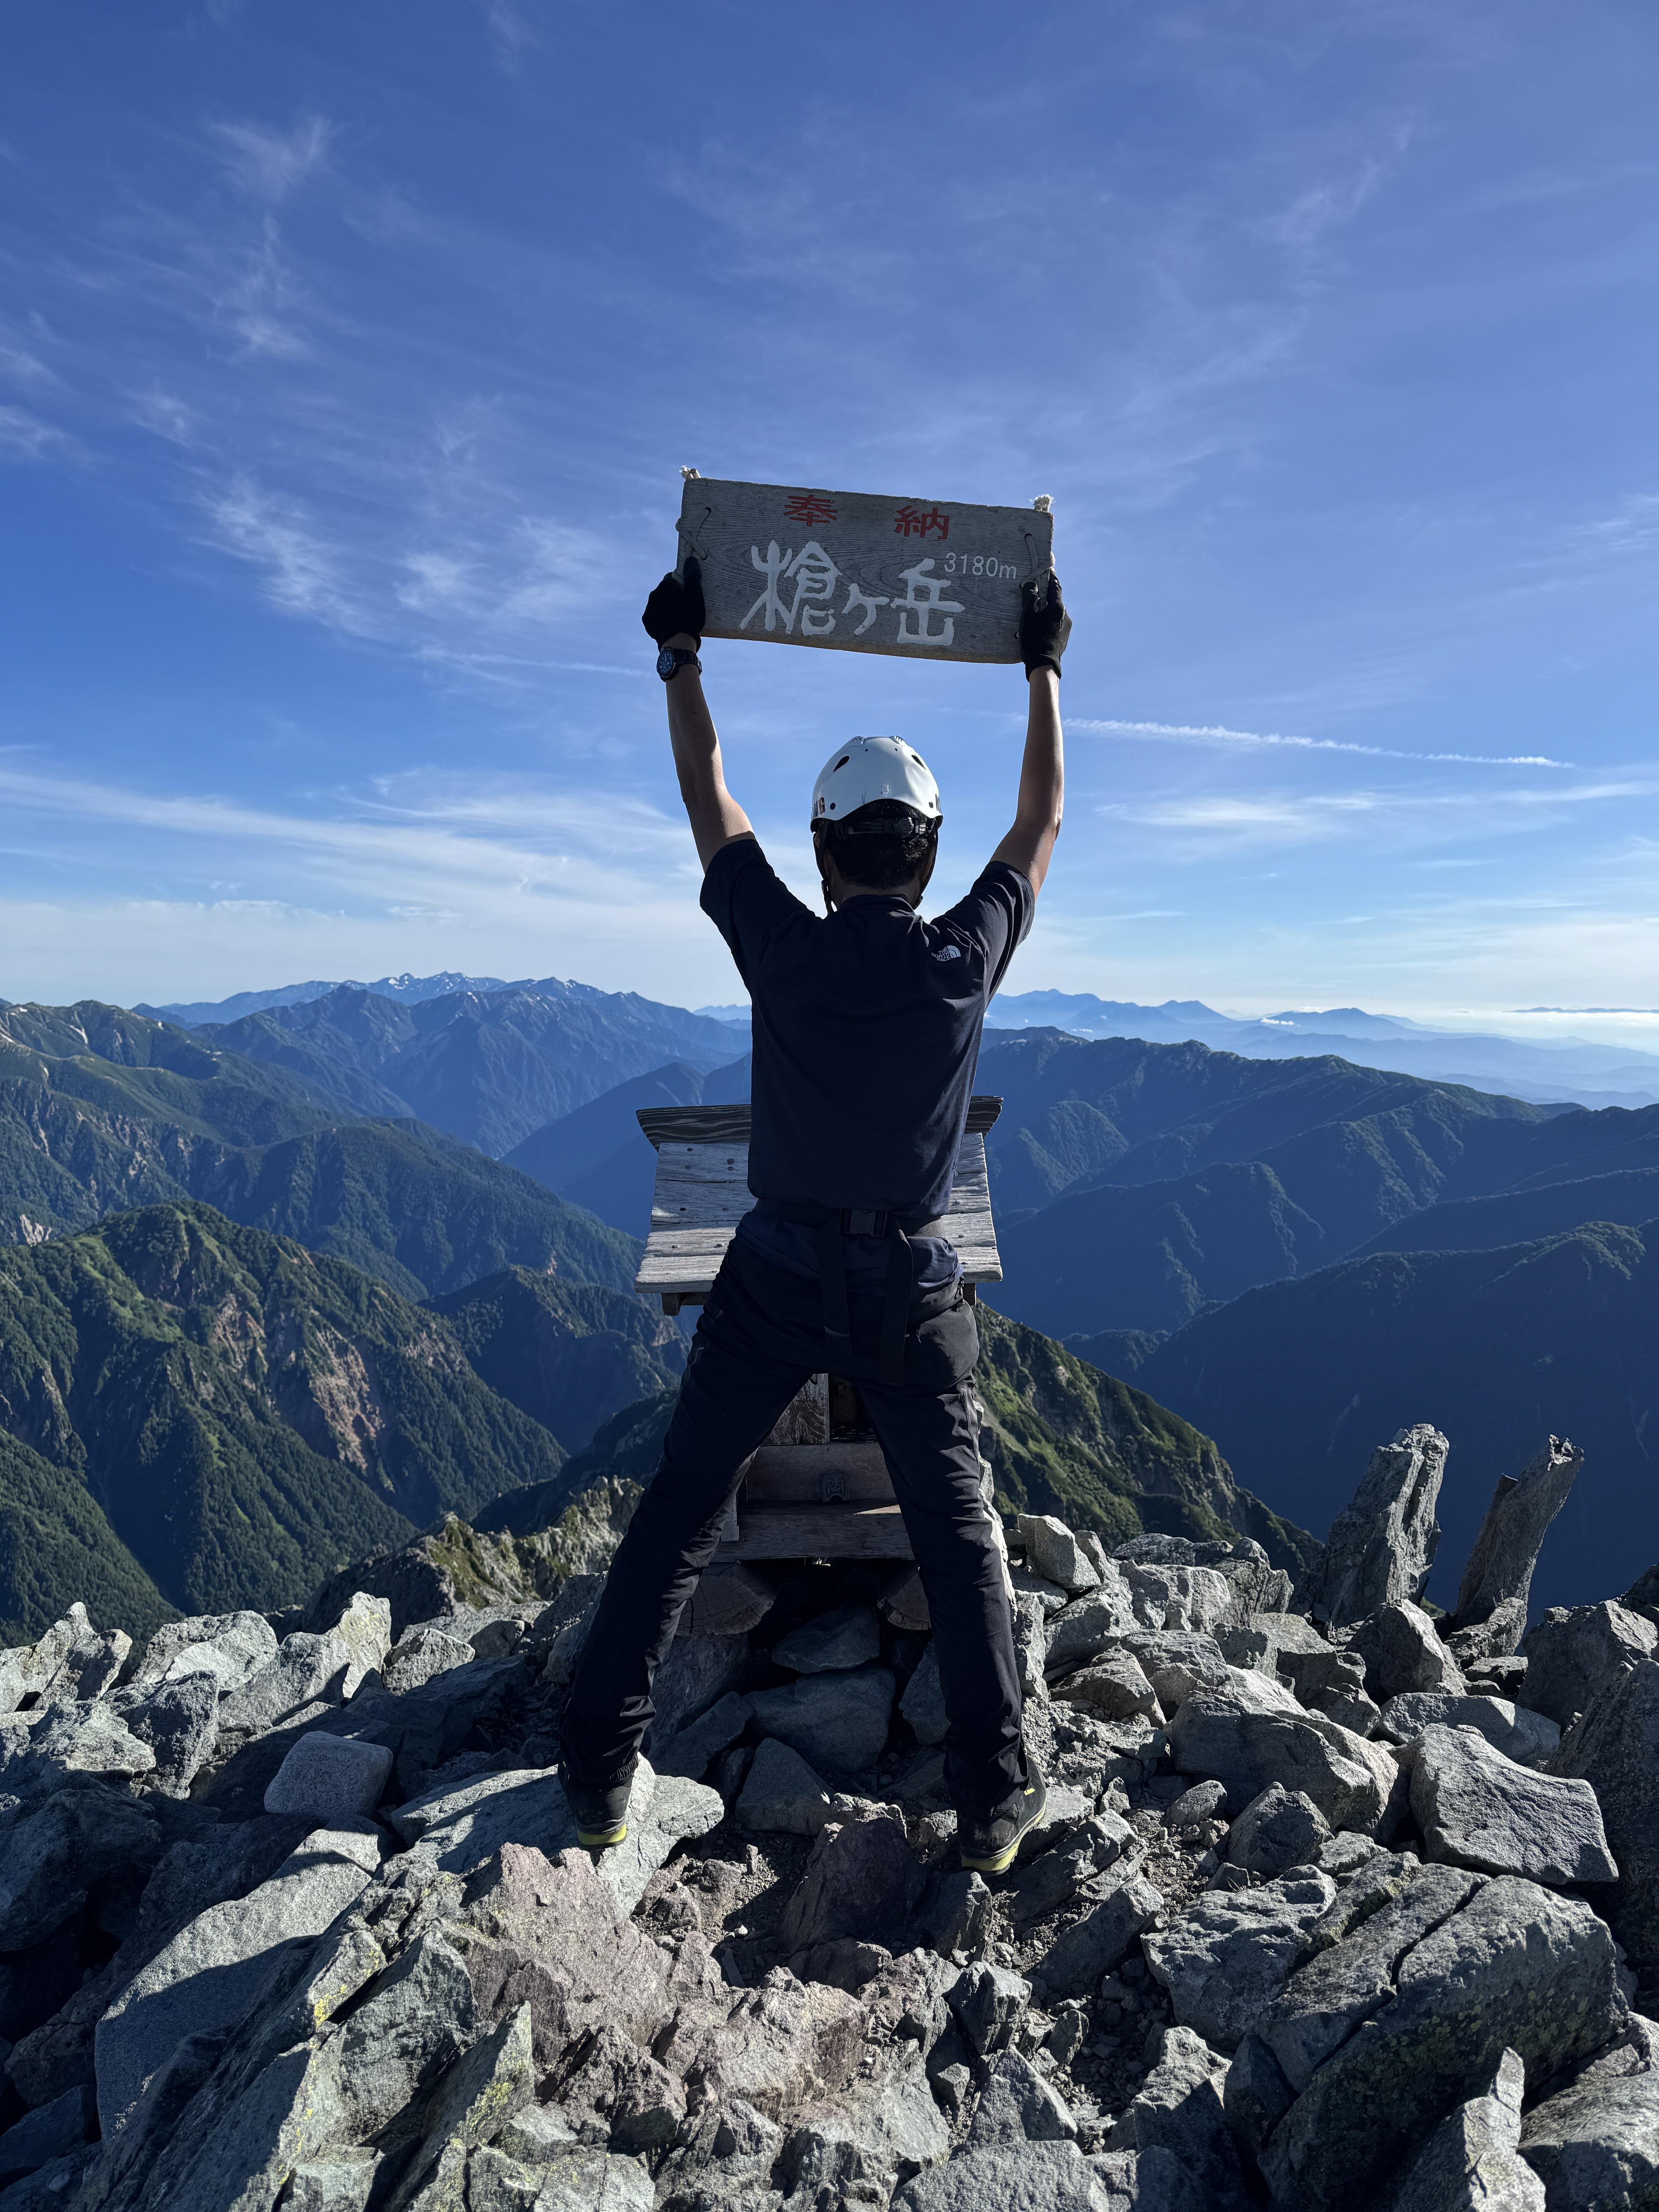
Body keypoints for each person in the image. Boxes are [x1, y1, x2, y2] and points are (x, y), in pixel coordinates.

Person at [559, 552, 1070, 1875]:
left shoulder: (778, 944)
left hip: (774, 1272)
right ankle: (993, 1797)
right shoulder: (963, 963)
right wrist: (1042, 665)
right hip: (910, 1286)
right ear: (927, 854)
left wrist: (680, 661)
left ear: (824, 848)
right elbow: (1044, 819)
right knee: (956, 1537)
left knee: (679, 1508)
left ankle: (600, 1778)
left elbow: (705, 800)